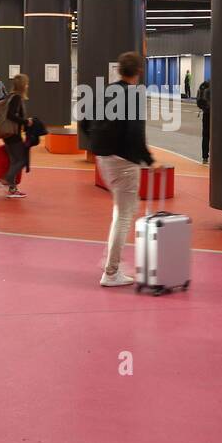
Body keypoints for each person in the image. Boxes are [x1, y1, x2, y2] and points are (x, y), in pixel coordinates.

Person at [90, 51, 154, 287]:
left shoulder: (106, 91)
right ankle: (111, 271)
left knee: (122, 209)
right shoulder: (134, 94)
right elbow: (136, 132)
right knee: (124, 216)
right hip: (124, 162)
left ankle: (110, 258)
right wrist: (148, 159)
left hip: (104, 159)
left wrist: (97, 145)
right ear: (138, 71)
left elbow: (86, 120)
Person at [0, 74, 31, 197]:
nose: (27, 86)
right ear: (23, 85)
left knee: (14, 161)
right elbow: (11, 115)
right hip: (13, 134)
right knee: (23, 160)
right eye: (26, 83)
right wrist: (25, 122)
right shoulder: (17, 98)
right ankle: (7, 179)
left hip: (7, 134)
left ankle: (12, 190)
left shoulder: (10, 96)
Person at [195, 79, 212, 165]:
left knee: (205, 136)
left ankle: (205, 157)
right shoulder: (214, 85)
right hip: (214, 115)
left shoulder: (204, 85)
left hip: (205, 113)